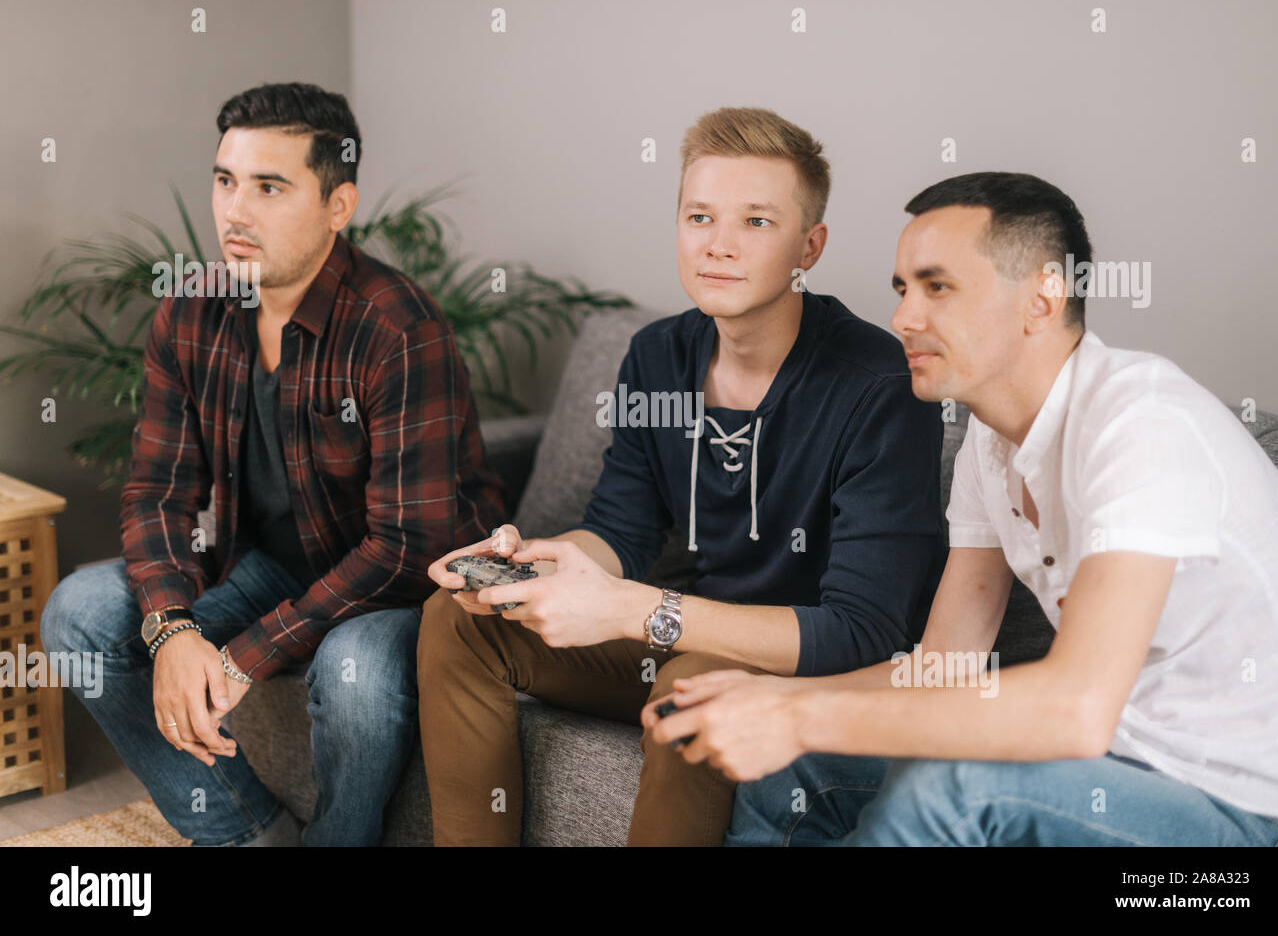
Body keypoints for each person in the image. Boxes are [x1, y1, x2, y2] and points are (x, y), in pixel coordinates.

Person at [650, 171, 1278, 847]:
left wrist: (803, 716)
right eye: (903, 289)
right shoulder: (991, 444)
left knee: (954, 790)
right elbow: (945, 666)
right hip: (1111, 762)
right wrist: (777, 702)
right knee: (792, 770)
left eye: (939, 287)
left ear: (1043, 299)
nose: (903, 317)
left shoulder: (1142, 425)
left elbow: (1076, 709)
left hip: (1245, 805)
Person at [417, 107, 948, 845]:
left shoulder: (878, 384)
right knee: (461, 620)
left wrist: (635, 608)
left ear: (809, 245)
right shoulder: (657, 356)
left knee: (690, 689)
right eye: (699, 215)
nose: (719, 245)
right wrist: (542, 565)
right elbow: (620, 530)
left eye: (757, 222)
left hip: (806, 662)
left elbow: (861, 631)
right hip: (690, 628)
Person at [40, 82, 504, 846]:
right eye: (225, 180)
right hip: (263, 565)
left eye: (269, 186)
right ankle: (252, 833)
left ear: (338, 204)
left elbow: (406, 547)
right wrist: (171, 627)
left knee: (356, 678)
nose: (235, 211)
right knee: (79, 615)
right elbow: (158, 492)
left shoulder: (398, 327)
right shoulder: (193, 310)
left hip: (397, 586)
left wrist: (247, 654)